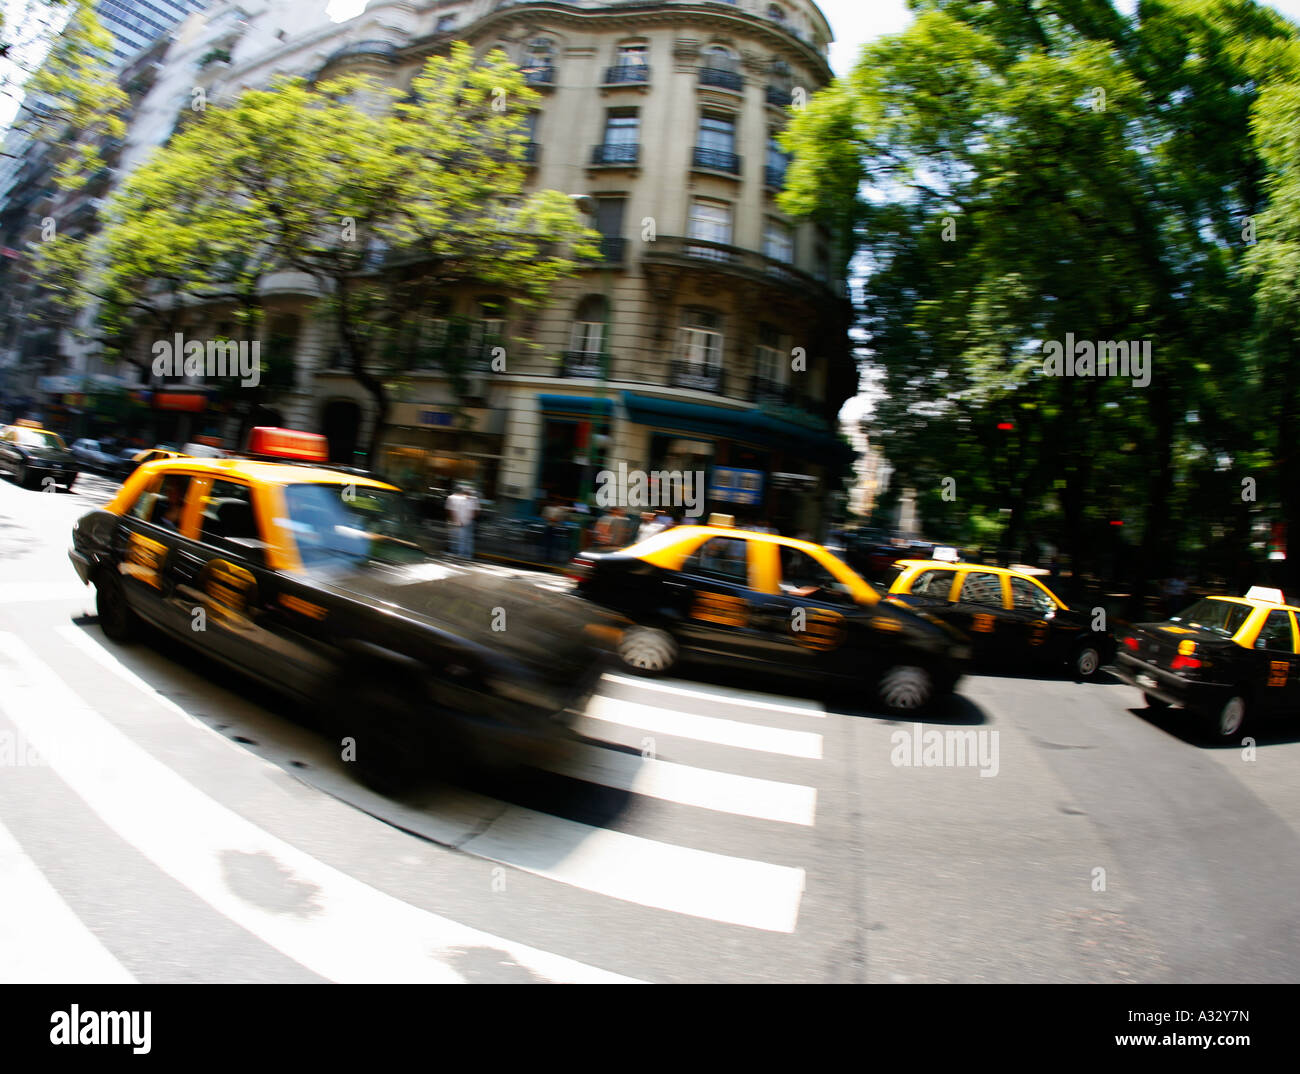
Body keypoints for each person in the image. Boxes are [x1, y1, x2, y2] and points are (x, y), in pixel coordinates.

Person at [445, 484, 478, 558]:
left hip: (464, 522)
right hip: (462, 522)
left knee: (463, 538)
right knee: (462, 538)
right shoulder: (463, 499)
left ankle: (463, 554)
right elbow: (454, 511)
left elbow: (473, 512)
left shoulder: (470, 500)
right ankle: (463, 554)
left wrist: (466, 521)